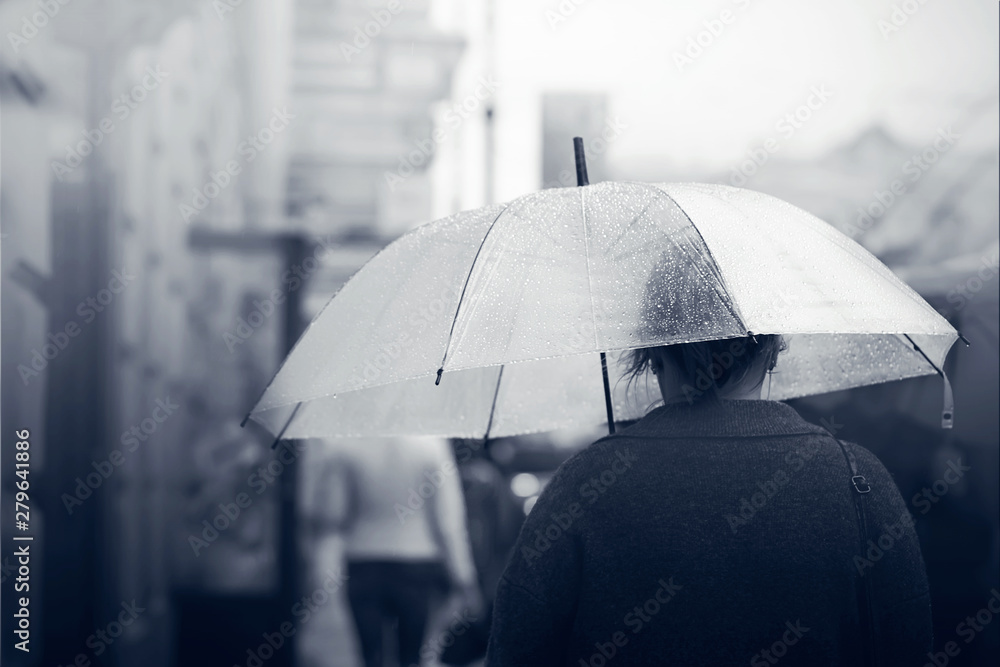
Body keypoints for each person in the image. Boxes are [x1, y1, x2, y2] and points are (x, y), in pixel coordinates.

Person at [485, 334, 933, 666]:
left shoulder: (583, 483)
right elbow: (909, 641)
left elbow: (516, 647)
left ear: (652, 355)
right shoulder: (855, 475)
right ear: (773, 351)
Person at [312, 436, 481, 667]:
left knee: (371, 656)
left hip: (363, 558)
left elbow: (333, 514)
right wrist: (463, 575)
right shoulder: (431, 445)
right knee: (412, 657)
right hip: (417, 561)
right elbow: (448, 520)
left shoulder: (347, 445)